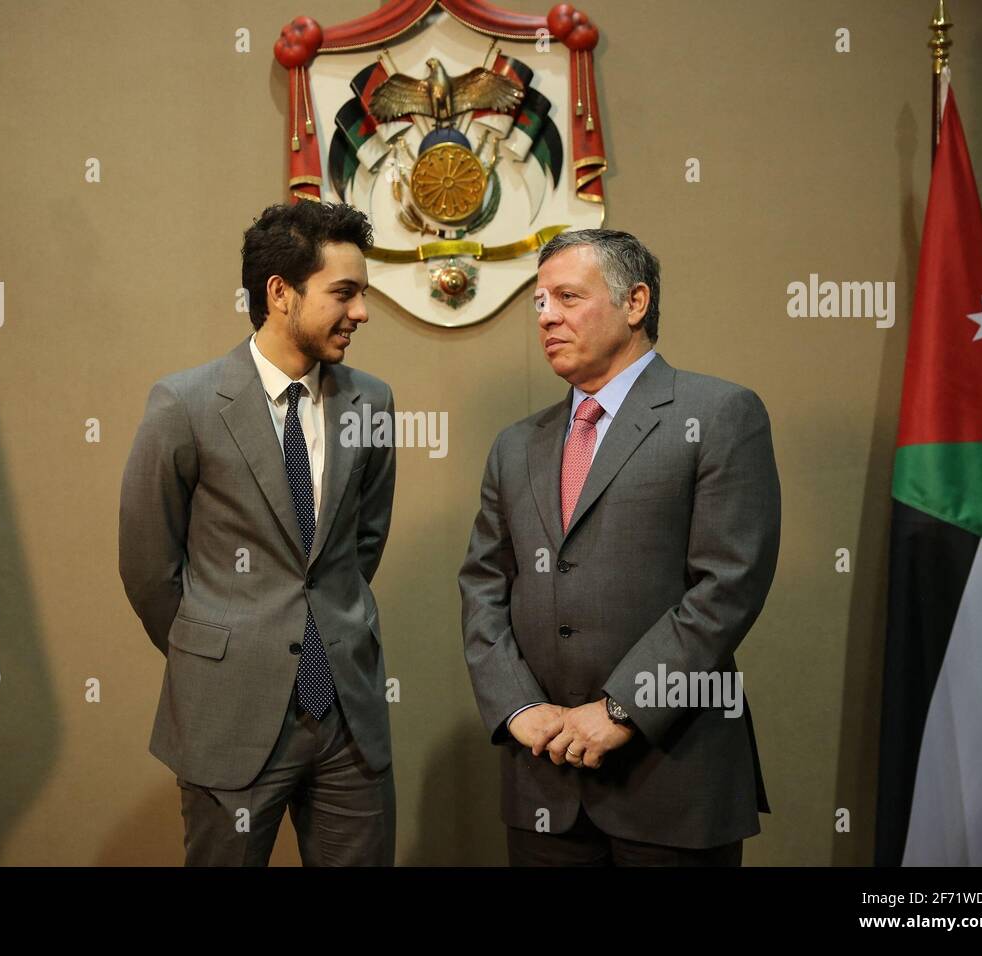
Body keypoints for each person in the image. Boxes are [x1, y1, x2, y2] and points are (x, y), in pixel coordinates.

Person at [459, 229, 780, 866]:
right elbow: (483, 586)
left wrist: (623, 709)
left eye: (567, 297)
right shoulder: (516, 445)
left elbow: (727, 585)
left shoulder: (719, 414)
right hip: (542, 781)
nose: (546, 315)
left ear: (635, 303)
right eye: (540, 303)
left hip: (671, 778)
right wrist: (517, 705)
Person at [119, 201, 397, 865]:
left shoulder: (374, 403)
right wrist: (217, 650)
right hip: (230, 716)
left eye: (363, 294)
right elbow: (146, 566)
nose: (361, 312)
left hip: (347, 719)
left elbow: (363, 543)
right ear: (280, 293)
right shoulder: (183, 405)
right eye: (344, 293)